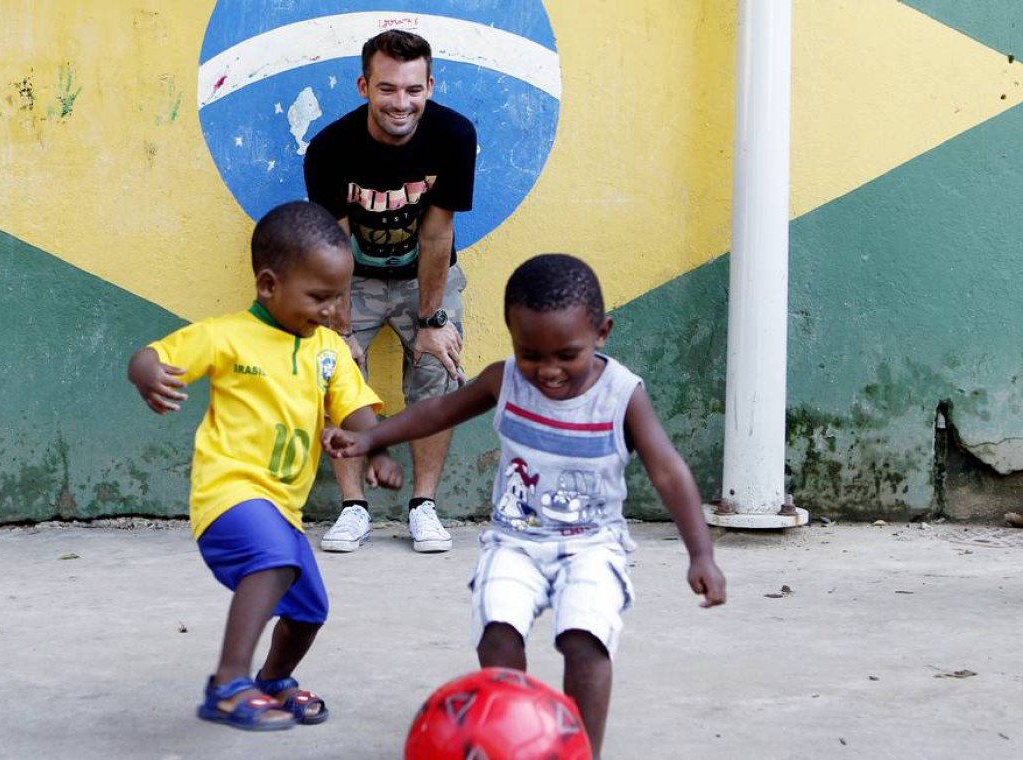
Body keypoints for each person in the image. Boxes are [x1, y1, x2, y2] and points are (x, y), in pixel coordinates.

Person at [323, 254, 727, 756]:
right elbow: (439, 409)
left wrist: (701, 553)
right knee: (497, 634)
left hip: (592, 545)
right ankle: (509, 739)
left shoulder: (622, 394)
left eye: (566, 355)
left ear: (602, 333)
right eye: (530, 353)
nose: (548, 370)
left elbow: (669, 471)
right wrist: (370, 439)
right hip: (514, 542)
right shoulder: (506, 379)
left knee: (585, 643)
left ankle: (581, 751)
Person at [127, 200, 403, 732]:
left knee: (309, 610)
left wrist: (379, 450)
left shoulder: (328, 350)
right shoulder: (226, 336)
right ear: (269, 285)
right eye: (319, 297)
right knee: (274, 562)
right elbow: (152, 355)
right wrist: (147, 374)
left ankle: (272, 681)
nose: (331, 310)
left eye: (339, 296)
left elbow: (356, 410)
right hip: (229, 493)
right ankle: (227, 685)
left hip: (283, 509)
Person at [303, 29, 477, 554]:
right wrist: (340, 330)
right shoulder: (329, 148)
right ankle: (353, 508)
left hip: (423, 275)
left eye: (413, 89)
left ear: (430, 86)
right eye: (387, 89)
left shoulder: (453, 135)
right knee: (337, 377)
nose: (401, 103)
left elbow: (437, 236)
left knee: (435, 379)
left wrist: (431, 321)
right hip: (352, 276)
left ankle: (423, 506)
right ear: (364, 87)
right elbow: (334, 245)